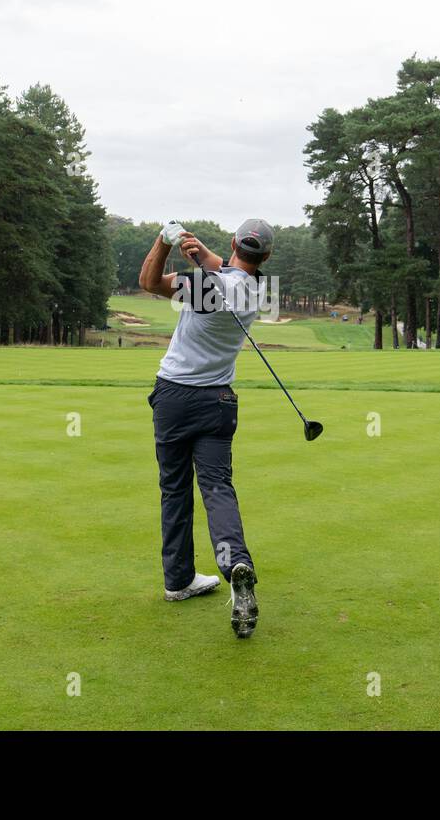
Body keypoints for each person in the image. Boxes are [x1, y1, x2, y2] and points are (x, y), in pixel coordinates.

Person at [138, 218, 268, 639]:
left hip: (174, 397)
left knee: (175, 489)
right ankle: (234, 565)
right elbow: (227, 267)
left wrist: (164, 240)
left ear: (234, 242)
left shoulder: (203, 286)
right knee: (217, 487)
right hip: (217, 402)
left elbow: (149, 282)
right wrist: (197, 250)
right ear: (264, 257)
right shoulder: (261, 290)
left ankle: (178, 581)